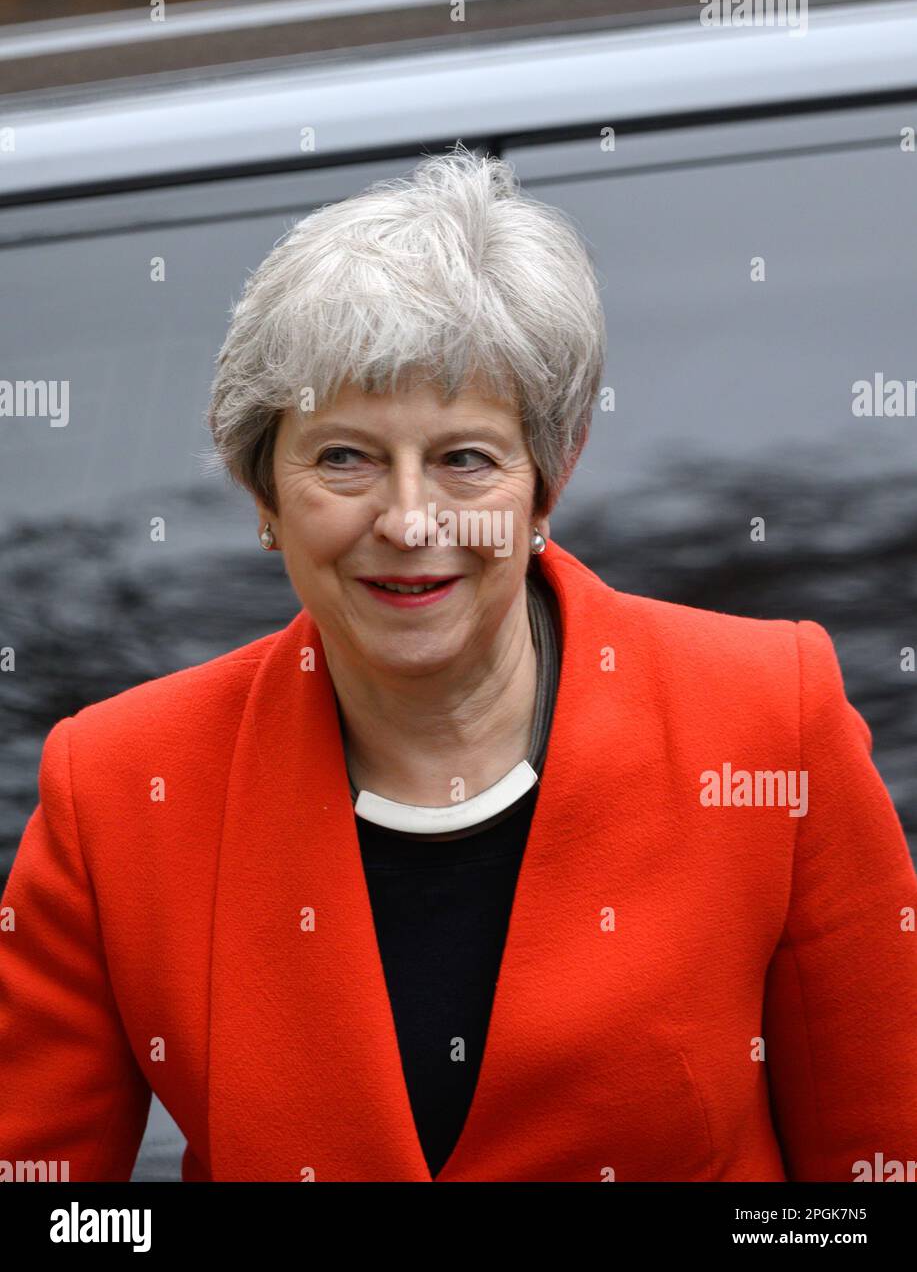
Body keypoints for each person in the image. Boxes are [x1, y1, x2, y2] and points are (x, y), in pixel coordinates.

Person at [1, 145, 915, 1182]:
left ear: (544, 486)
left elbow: (874, 1178)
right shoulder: (118, 790)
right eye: (342, 456)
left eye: (463, 459)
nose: (407, 518)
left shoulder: (764, 720)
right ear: (263, 495)